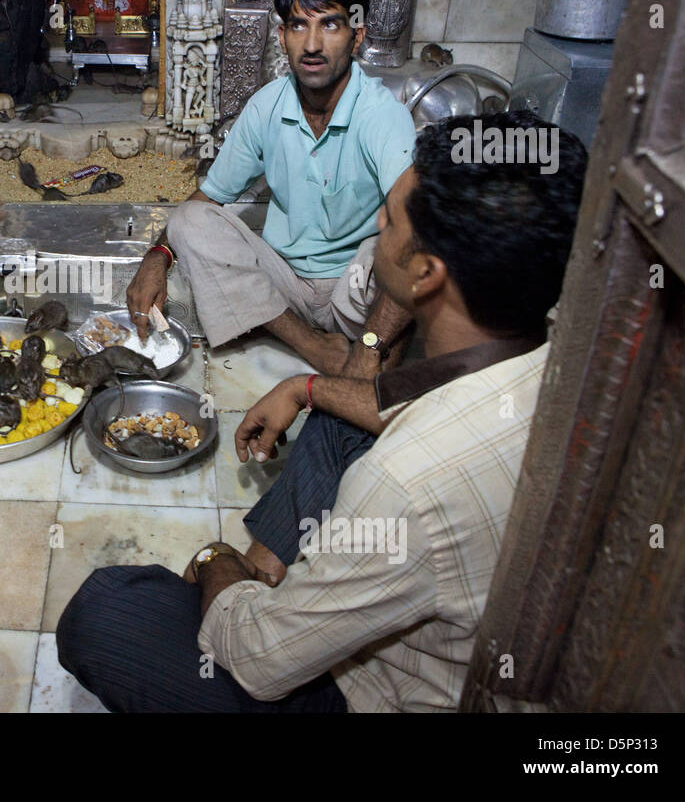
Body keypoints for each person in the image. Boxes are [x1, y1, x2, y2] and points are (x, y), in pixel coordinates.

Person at [57, 112, 588, 712]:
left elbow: (259, 657)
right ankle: (270, 567)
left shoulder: (405, 481)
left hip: (383, 690)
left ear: (425, 275)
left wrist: (215, 564)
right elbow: (400, 395)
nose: (378, 230)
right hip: (452, 615)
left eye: (387, 221)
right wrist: (305, 387)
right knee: (339, 404)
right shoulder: (576, 363)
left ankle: (252, 576)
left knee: (105, 611)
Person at [126, 0, 415, 380]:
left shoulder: (381, 115)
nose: (312, 44)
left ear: (358, 36)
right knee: (191, 220)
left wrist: (369, 354)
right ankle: (310, 344)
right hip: (286, 284)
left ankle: (369, 356)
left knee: (405, 239)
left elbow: (415, 229)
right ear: (282, 38)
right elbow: (207, 201)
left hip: (354, 287)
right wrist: (156, 257)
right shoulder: (267, 105)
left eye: (330, 25)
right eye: (299, 26)